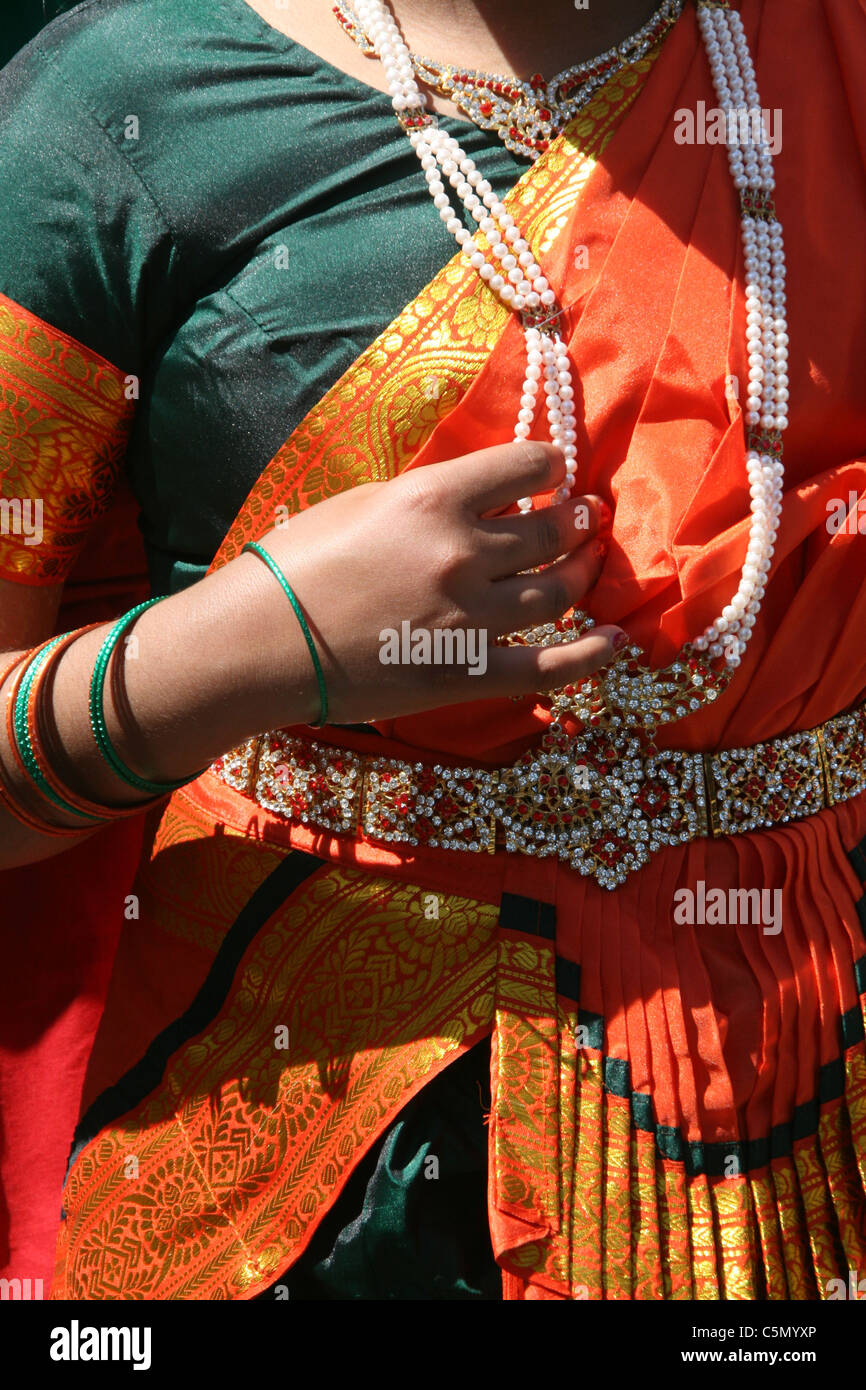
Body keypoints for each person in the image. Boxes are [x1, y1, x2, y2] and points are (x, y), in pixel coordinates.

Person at [0, 0, 864, 1300]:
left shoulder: (826, 52)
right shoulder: (120, 107)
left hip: (810, 1106)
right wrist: (261, 636)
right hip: (312, 1178)